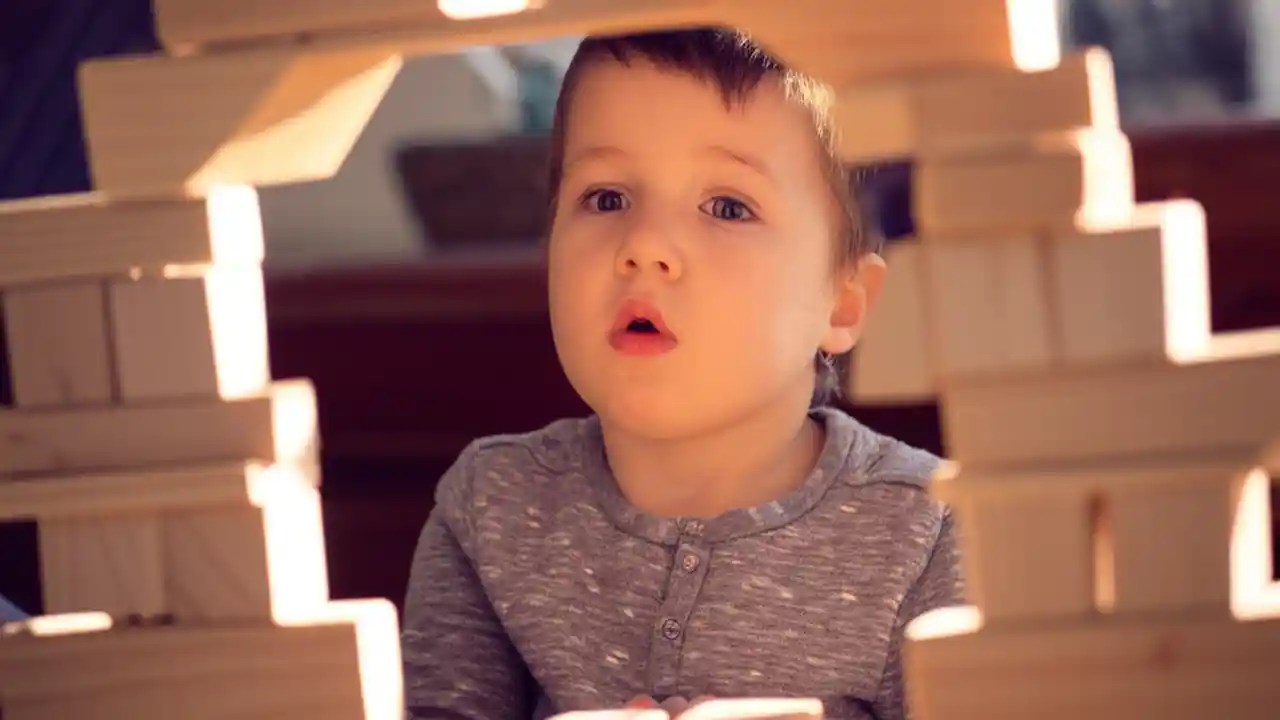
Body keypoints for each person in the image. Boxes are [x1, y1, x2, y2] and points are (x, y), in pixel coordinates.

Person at [401, 27, 964, 720]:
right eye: (606, 198)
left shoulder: (928, 528)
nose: (644, 247)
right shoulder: (489, 510)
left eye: (727, 206)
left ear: (843, 303)